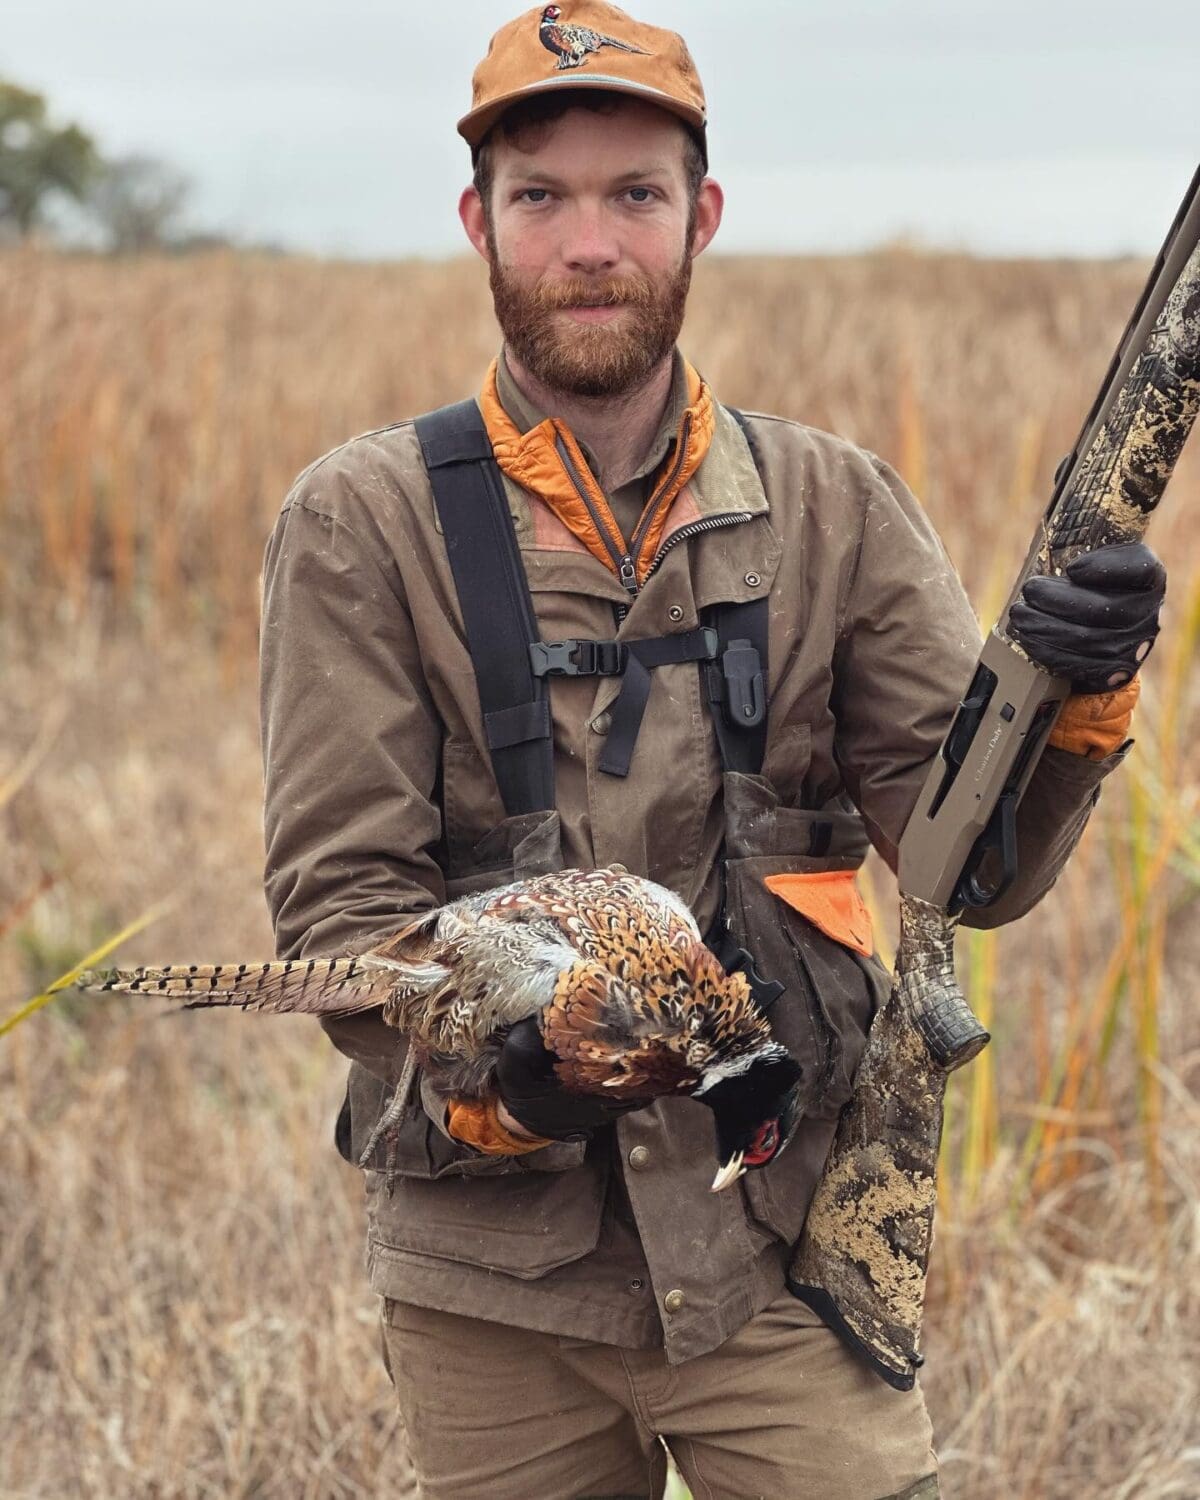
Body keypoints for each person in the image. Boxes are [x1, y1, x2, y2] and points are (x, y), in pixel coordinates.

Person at [258, 5, 1166, 1496]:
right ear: (479, 222)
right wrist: (530, 1075)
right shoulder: (363, 524)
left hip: (778, 1247)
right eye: (542, 197)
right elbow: (344, 927)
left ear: (705, 218)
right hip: (496, 1288)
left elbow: (970, 871)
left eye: (637, 194)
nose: (590, 244)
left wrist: (1076, 688)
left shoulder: (834, 505)